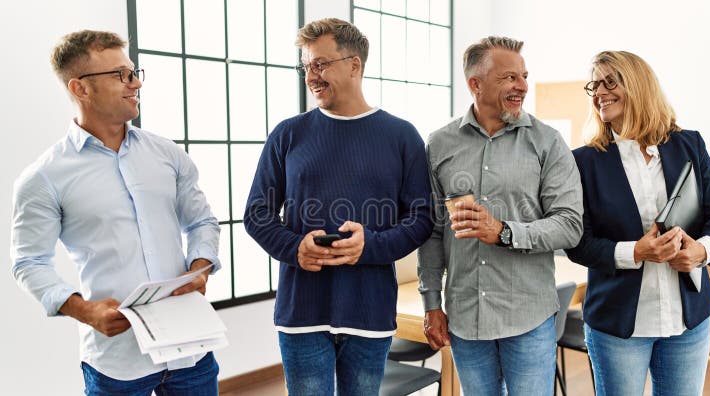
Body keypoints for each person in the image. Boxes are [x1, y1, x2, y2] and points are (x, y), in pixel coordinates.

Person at [10, 30, 222, 395]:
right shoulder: (43, 177)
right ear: (80, 89)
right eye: (121, 75)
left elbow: (202, 221)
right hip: (117, 362)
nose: (136, 82)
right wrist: (85, 311)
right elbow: (29, 262)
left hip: (191, 351)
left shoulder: (168, 155)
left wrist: (199, 267)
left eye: (134, 71)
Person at [243, 18, 433, 395]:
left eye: (320, 64)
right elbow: (257, 214)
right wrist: (295, 247)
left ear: (354, 65)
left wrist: (370, 246)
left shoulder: (401, 136)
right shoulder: (288, 134)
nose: (311, 75)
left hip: (370, 310)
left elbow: (422, 218)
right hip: (302, 312)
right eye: (306, 66)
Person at [417, 36, 584, 395]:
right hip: (465, 318)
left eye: (523, 76)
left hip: (528, 318)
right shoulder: (439, 144)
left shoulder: (548, 143)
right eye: (509, 77)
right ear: (475, 84)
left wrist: (504, 231)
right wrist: (431, 302)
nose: (522, 86)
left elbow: (570, 225)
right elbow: (431, 232)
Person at [565, 50, 710, 395]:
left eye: (609, 81)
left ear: (639, 85)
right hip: (618, 325)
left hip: (688, 320)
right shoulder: (583, 162)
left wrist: (702, 250)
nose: (599, 92)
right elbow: (578, 243)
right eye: (594, 85)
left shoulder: (690, 145)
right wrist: (635, 252)